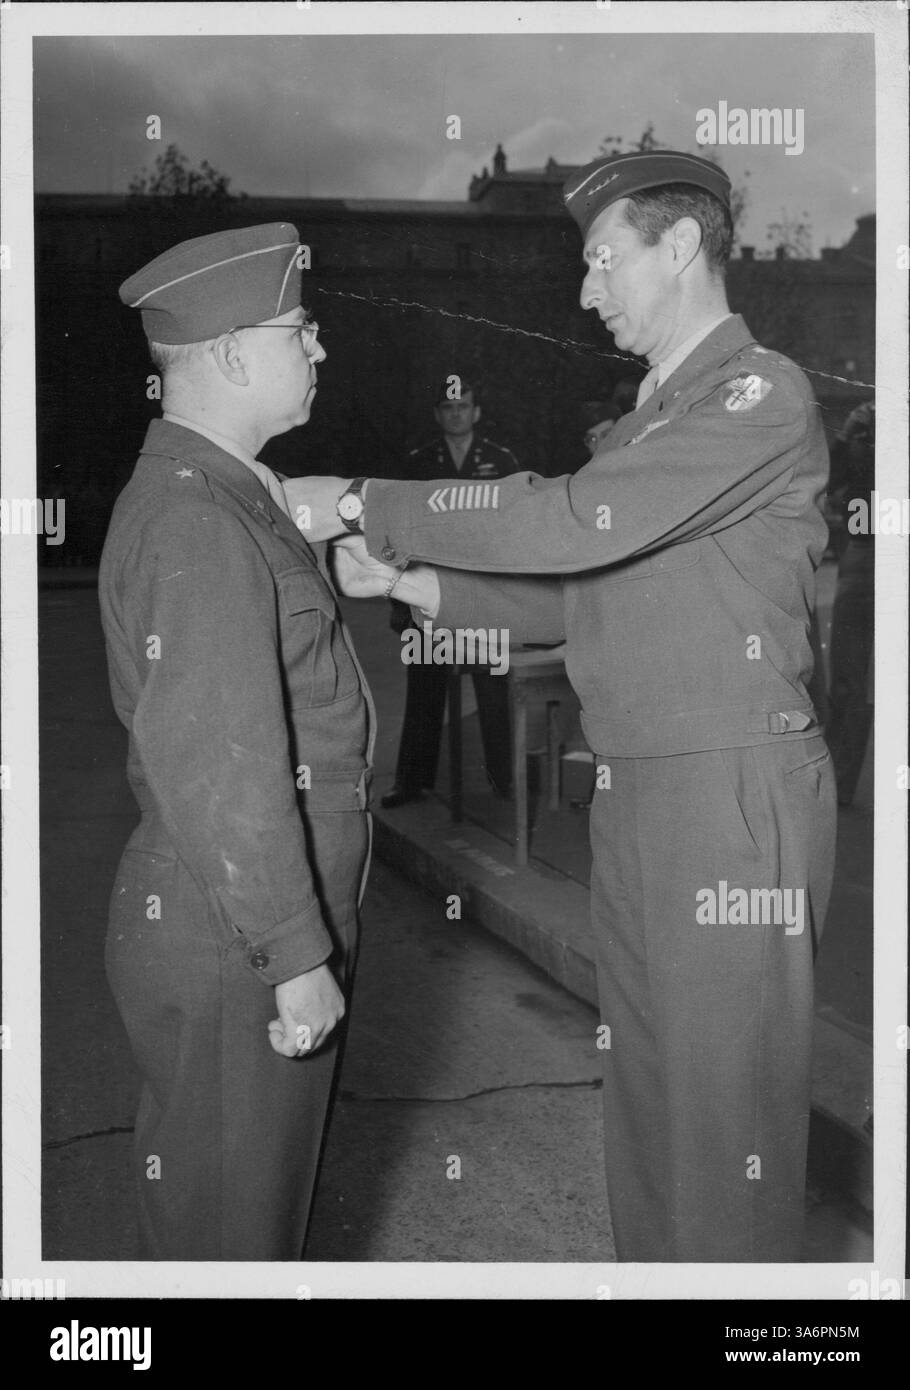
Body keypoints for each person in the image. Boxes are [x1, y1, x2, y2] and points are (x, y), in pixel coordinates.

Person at [283, 148, 837, 1263]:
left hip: (726, 795)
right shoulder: (646, 425)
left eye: (600, 261)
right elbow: (578, 597)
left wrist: (363, 501)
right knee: (645, 1090)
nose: (585, 293)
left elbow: (573, 522)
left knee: (722, 1110)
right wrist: (415, 584)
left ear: (679, 247)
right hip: (641, 794)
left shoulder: (754, 393)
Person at [98, 223, 375, 1260]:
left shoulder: (228, 497)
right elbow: (224, 765)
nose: (317, 347)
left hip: (243, 920)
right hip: (239, 934)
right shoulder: (197, 522)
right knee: (233, 1239)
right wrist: (296, 957)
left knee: (254, 1224)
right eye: (298, 329)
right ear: (225, 353)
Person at [381, 378, 519, 807]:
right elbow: (396, 532)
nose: (456, 414)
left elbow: (518, 530)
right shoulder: (417, 463)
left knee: (493, 688)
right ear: (438, 414)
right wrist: (397, 600)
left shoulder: (501, 460)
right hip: (429, 593)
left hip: (485, 595)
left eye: (464, 407)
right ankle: (411, 781)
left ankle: (503, 781)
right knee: (425, 686)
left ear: (476, 411)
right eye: (447, 407)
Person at [825, 399, 875, 804]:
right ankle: (835, 782)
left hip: (869, 543)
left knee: (851, 673)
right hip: (866, 542)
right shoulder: (868, 424)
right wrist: (847, 437)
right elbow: (832, 479)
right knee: (847, 670)